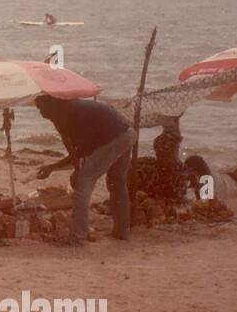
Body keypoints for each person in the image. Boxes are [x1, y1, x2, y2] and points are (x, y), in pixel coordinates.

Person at [34, 95, 136, 245]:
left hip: (114, 139)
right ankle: (122, 232)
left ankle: (77, 236)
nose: (41, 113)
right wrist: (54, 168)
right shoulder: (66, 112)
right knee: (117, 183)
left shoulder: (71, 114)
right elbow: (75, 151)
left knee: (84, 184)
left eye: (42, 108)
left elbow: (83, 151)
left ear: (52, 105)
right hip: (127, 134)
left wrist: (75, 170)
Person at [131, 126, 193, 204]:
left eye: (169, 153)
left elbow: (178, 196)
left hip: (167, 204)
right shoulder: (144, 166)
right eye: (160, 153)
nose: (163, 155)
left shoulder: (181, 169)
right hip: (147, 203)